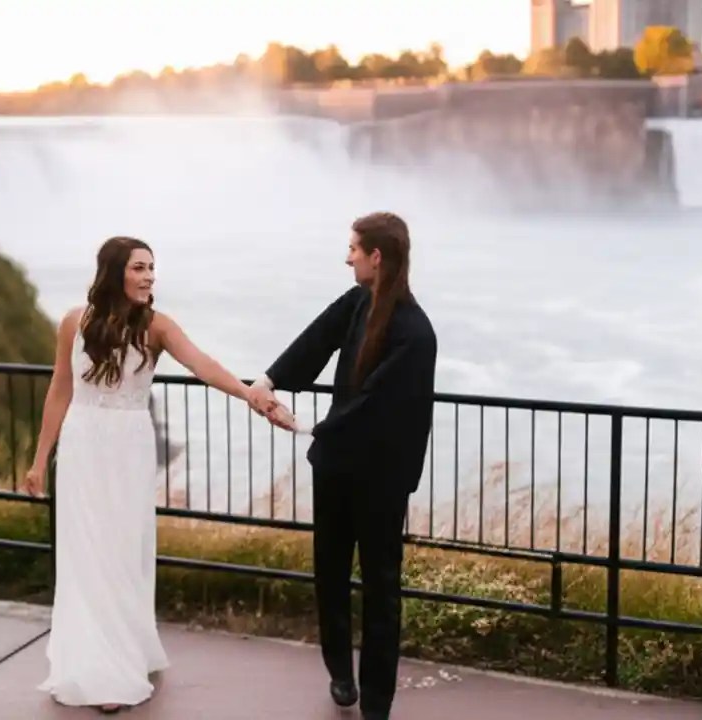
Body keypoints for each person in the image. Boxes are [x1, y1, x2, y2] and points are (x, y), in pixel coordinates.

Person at [24, 235, 294, 714]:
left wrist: (251, 393)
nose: (149, 275)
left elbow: (203, 365)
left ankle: (120, 655)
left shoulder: (157, 327)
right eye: (139, 267)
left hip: (128, 446)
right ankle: (92, 661)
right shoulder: (72, 323)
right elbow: (59, 392)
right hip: (84, 446)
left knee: (123, 549)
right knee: (85, 551)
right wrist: (40, 459)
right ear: (114, 272)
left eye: (152, 267)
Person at [246, 211, 437, 720]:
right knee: (329, 575)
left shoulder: (416, 333)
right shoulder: (356, 302)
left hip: (380, 480)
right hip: (334, 469)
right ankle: (340, 676)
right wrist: (266, 382)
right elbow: (315, 340)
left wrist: (309, 428)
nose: (347, 255)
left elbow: (374, 404)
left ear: (378, 256)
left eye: (354, 248)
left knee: (381, 587)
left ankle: (377, 700)